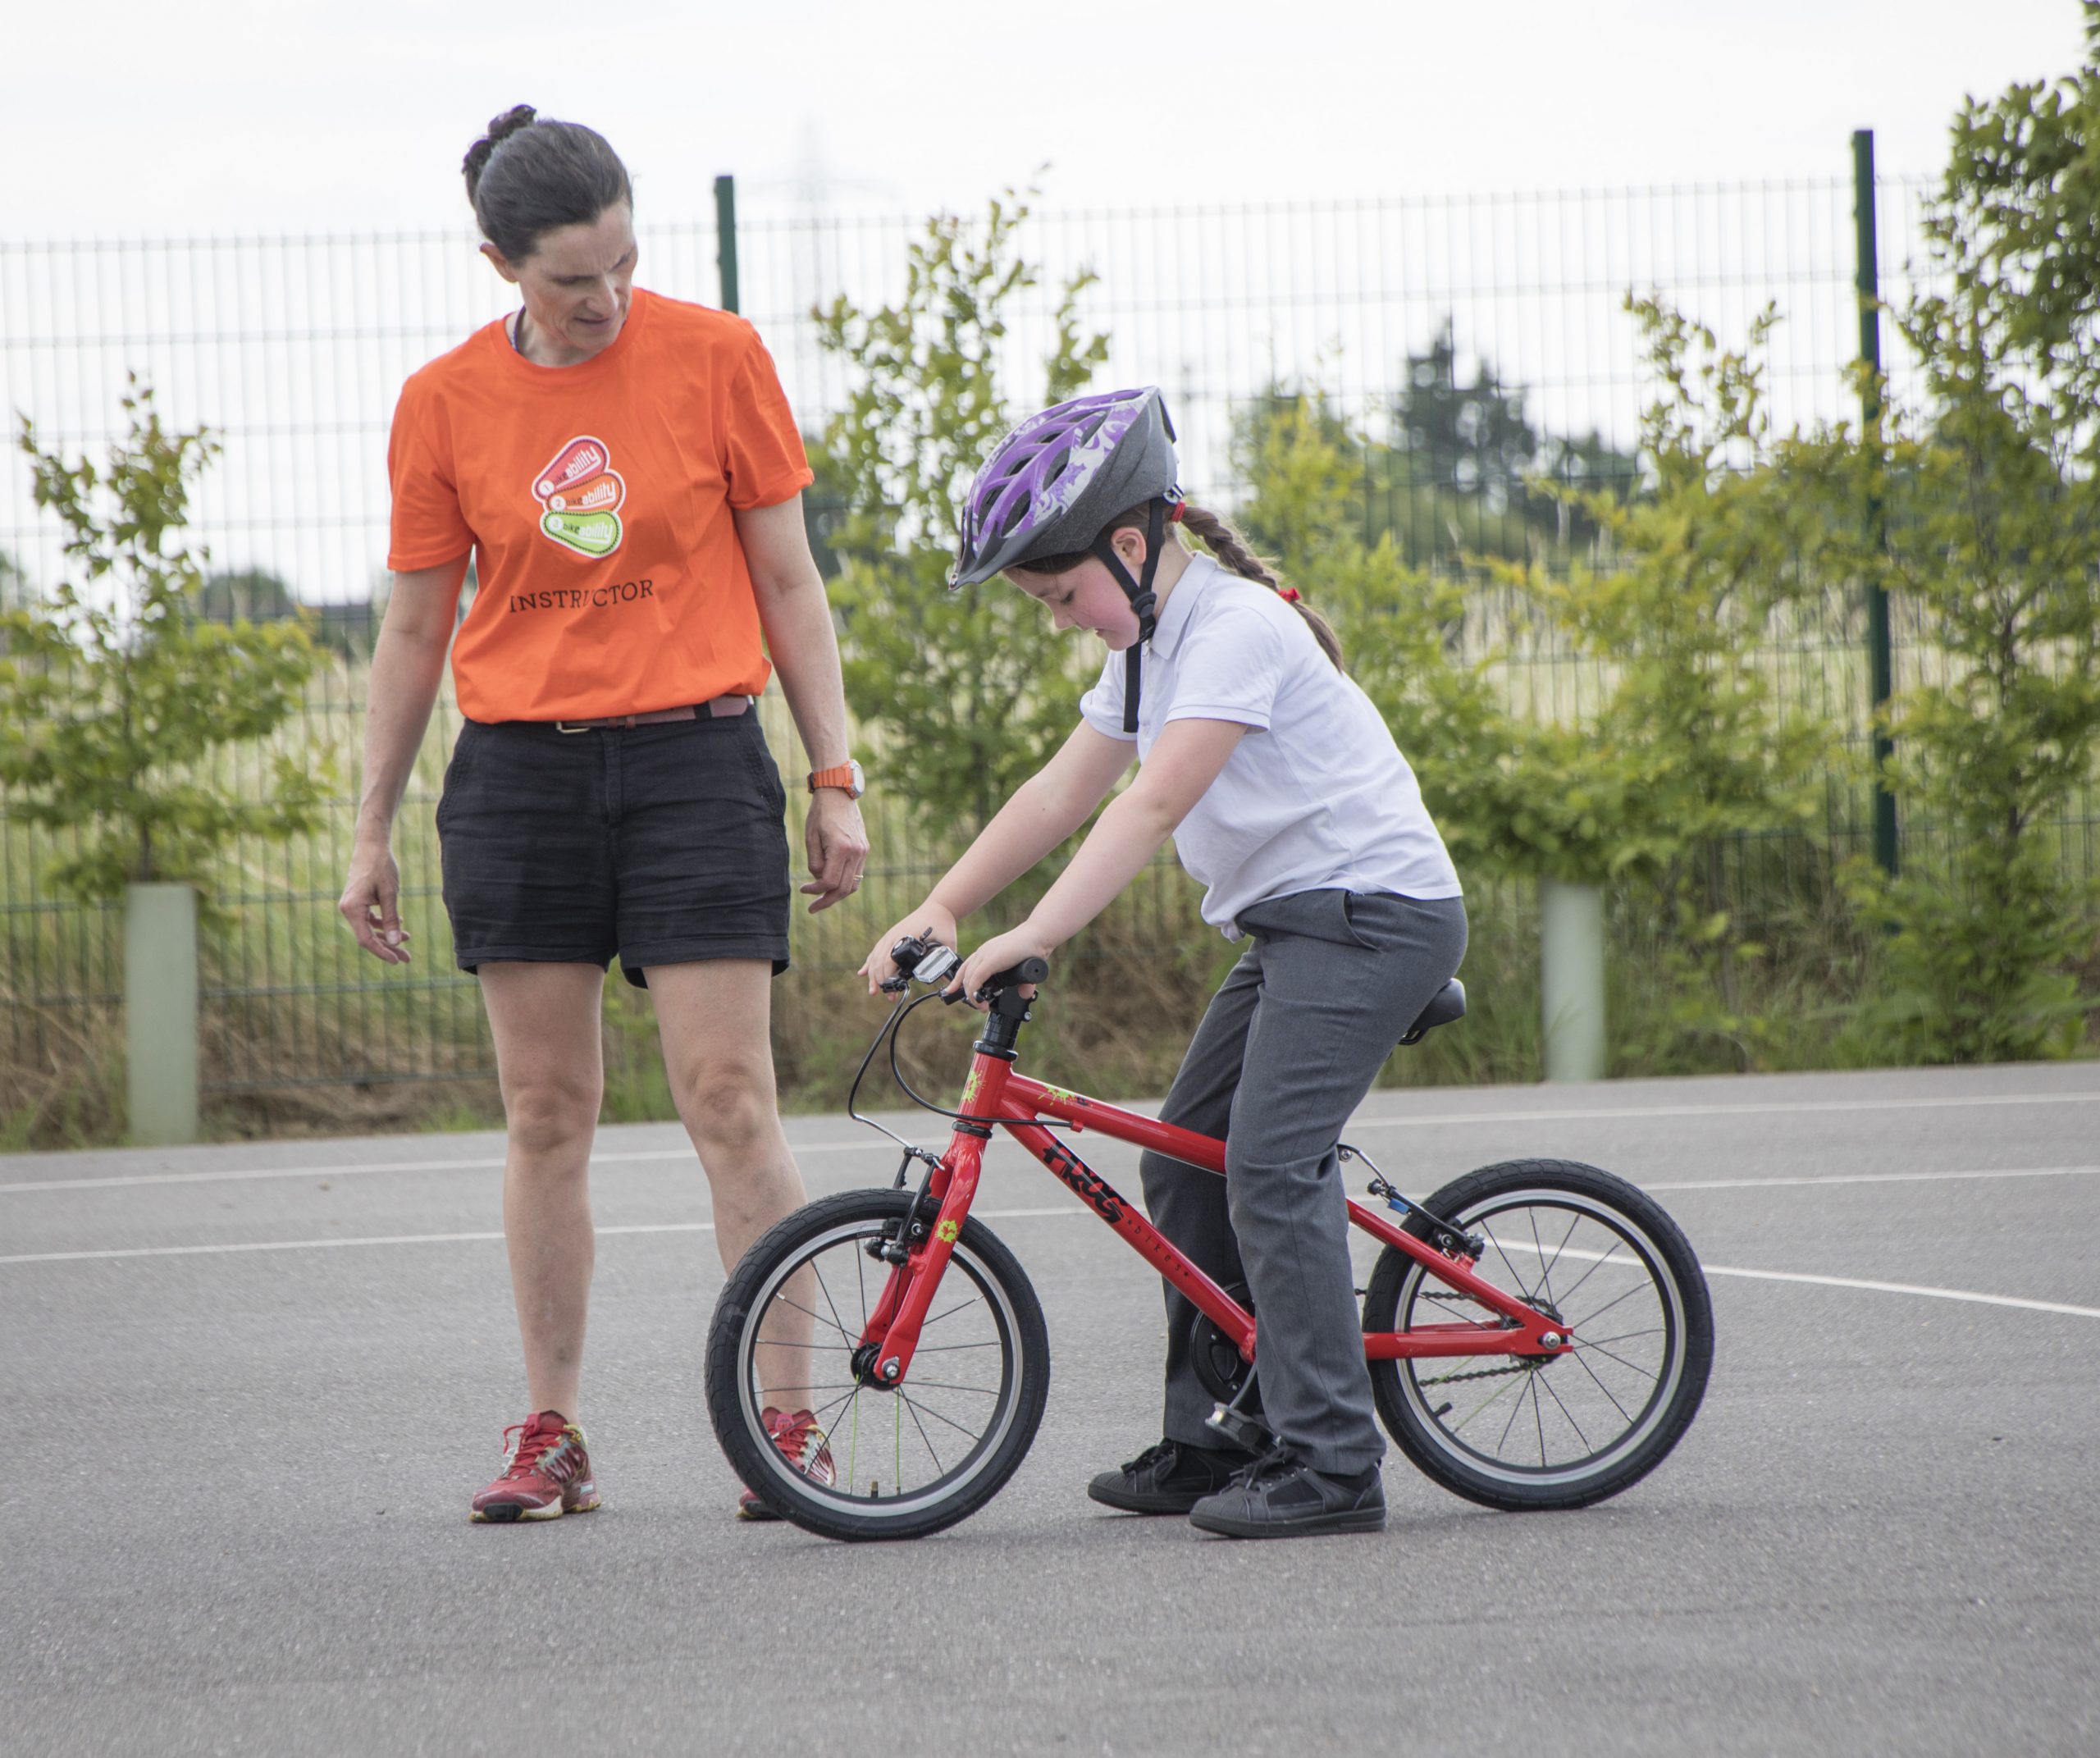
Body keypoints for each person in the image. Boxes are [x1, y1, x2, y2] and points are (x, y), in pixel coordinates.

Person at [340, 106, 867, 1524]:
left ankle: (788, 1428)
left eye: (625, 263)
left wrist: (835, 773)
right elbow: (409, 632)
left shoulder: (718, 358)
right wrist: (371, 827)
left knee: (730, 1101)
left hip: (698, 763)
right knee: (545, 1111)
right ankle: (554, 1435)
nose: (607, 298)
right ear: (500, 261)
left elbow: (791, 583)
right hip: (520, 777)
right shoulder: (443, 404)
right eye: (575, 277)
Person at [861, 387, 1465, 1539]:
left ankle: (1333, 1462)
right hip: (1296, 924)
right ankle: (1222, 1435)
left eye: (1060, 593)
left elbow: (1151, 807)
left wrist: (1035, 933)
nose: (1058, 617)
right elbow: (1062, 791)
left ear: (1130, 548)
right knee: (1186, 1168)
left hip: (1376, 919)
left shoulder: (1233, 629)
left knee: (1270, 1168)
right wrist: (942, 902)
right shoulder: (1148, 649)